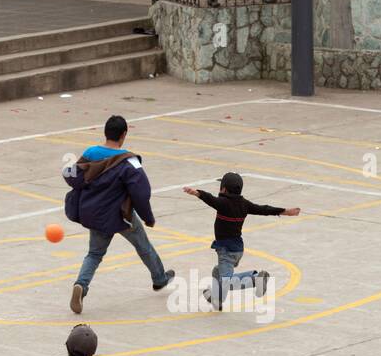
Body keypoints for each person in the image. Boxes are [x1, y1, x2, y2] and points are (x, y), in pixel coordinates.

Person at [62, 115, 175, 315]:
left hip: (94, 214)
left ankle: (81, 285)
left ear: (105, 133)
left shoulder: (90, 153)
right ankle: (159, 279)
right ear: (123, 135)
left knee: (94, 254)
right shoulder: (129, 161)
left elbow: (73, 176)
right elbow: (141, 193)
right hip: (121, 215)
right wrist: (148, 217)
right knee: (143, 246)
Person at [182, 172, 300, 309]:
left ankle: (255, 279)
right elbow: (263, 209)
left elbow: (211, 199)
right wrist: (284, 211)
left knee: (227, 281)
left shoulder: (223, 203)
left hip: (227, 251)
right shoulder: (244, 204)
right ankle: (217, 298)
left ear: (224, 189)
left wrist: (197, 193)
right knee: (217, 272)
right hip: (238, 250)